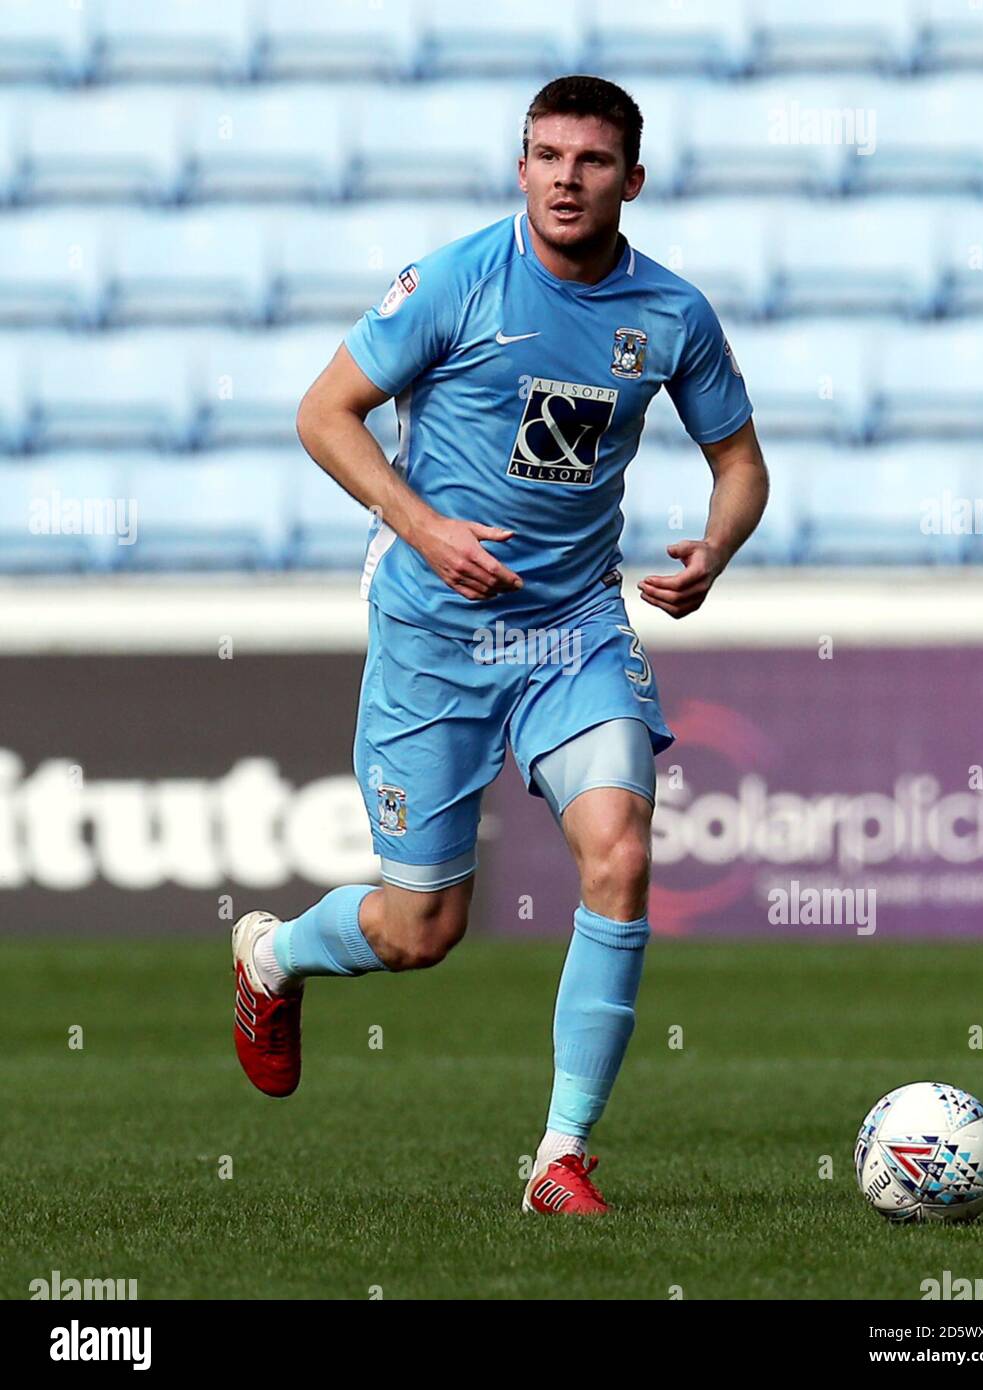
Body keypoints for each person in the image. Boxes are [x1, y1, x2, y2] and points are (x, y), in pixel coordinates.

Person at [231, 74, 768, 1215]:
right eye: (546, 155)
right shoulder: (460, 279)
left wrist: (714, 550)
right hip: (434, 634)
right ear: (520, 165)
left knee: (619, 852)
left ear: (633, 178)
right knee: (421, 929)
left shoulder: (670, 314)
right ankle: (271, 955)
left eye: (591, 160)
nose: (566, 177)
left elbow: (739, 463)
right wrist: (423, 527)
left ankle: (559, 1157)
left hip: (573, 628)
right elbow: (324, 412)